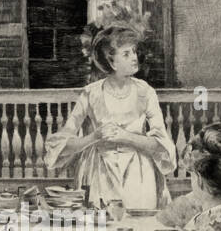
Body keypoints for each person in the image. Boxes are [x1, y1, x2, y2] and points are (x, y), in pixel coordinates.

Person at [43, 26, 177, 210]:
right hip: (99, 171)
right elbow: (62, 143)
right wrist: (94, 137)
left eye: (135, 52)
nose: (135, 58)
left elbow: (161, 144)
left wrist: (126, 137)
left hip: (138, 173)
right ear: (111, 61)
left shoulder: (146, 92)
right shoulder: (91, 93)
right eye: (127, 54)